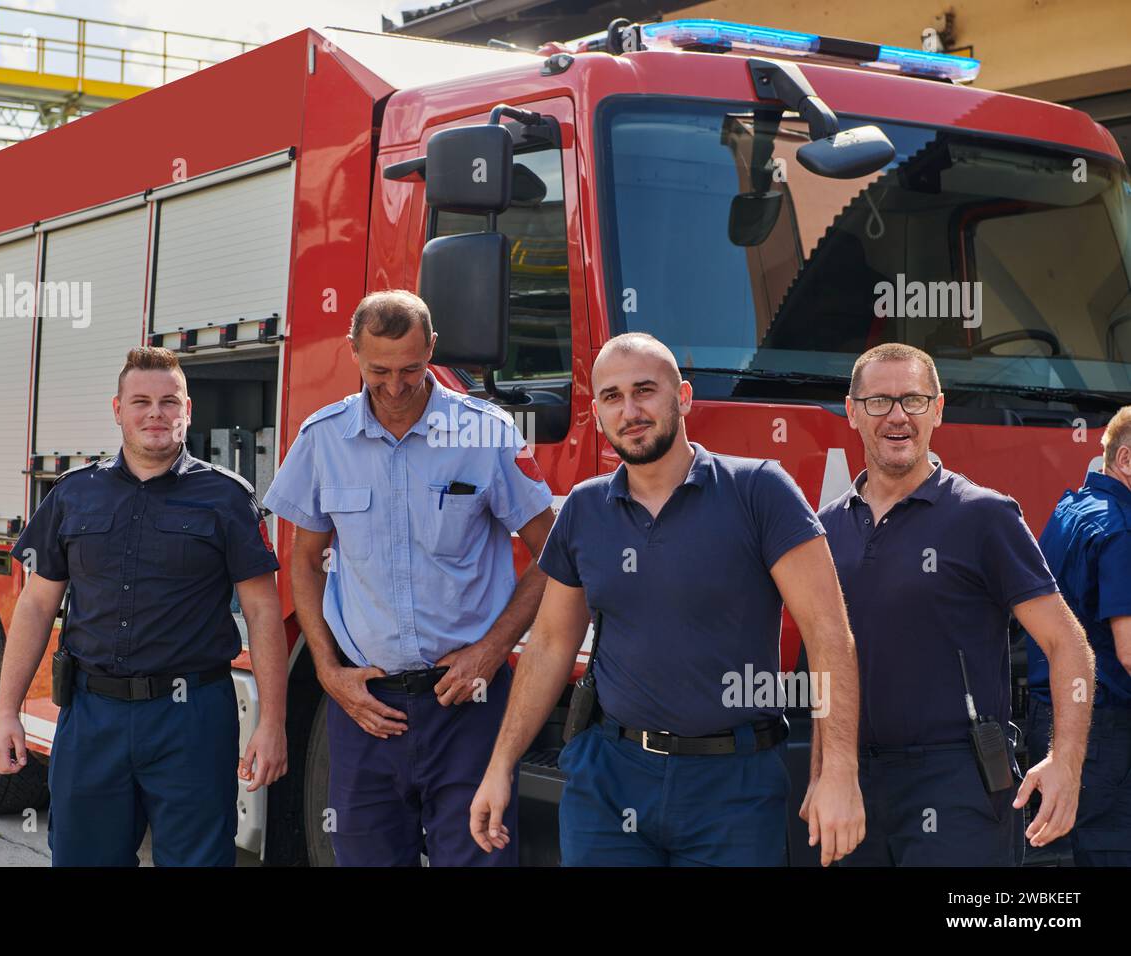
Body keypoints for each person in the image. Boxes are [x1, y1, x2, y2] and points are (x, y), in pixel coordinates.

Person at [470, 332, 865, 867]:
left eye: (644, 391)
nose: (629, 411)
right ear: (597, 411)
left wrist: (837, 772)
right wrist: (501, 766)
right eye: (611, 397)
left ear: (682, 396)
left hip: (735, 786)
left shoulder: (759, 491)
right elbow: (549, 645)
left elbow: (827, 634)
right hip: (609, 780)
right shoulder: (586, 509)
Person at [263, 290, 555, 866]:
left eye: (411, 369)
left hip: (468, 706)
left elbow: (555, 556)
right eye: (379, 371)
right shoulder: (323, 440)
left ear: (433, 351)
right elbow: (303, 561)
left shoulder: (487, 434)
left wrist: (491, 652)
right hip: (365, 709)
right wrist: (327, 670)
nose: (396, 386)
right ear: (353, 353)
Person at [0, 346, 288, 866]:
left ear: (188, 410)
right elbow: (36, 607)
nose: (156, 413)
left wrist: (272, 722)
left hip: (192, 719)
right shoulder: (73, 495)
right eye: (142, 401)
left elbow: (264, 613)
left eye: (169, 402)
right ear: (117, 409)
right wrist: (5, 711)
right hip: (91, 716)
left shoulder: (227, 499)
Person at [818, 342, 1094, 866]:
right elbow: (823, 657)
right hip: (854, 783)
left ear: (938, 410)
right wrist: (822, 776)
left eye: (914, 400)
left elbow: (1067, 642)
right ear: (852, 412)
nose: (898, 415)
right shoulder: (826, 526)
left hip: (958, 786)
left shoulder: (983, 516)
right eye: (879, 402)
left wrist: (1066, 762)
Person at [1025, 405, 1131, 865]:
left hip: (1050, 716)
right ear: (1126, 460)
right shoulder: (1123, 531)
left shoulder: (1071, 507)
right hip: (1103, 728)